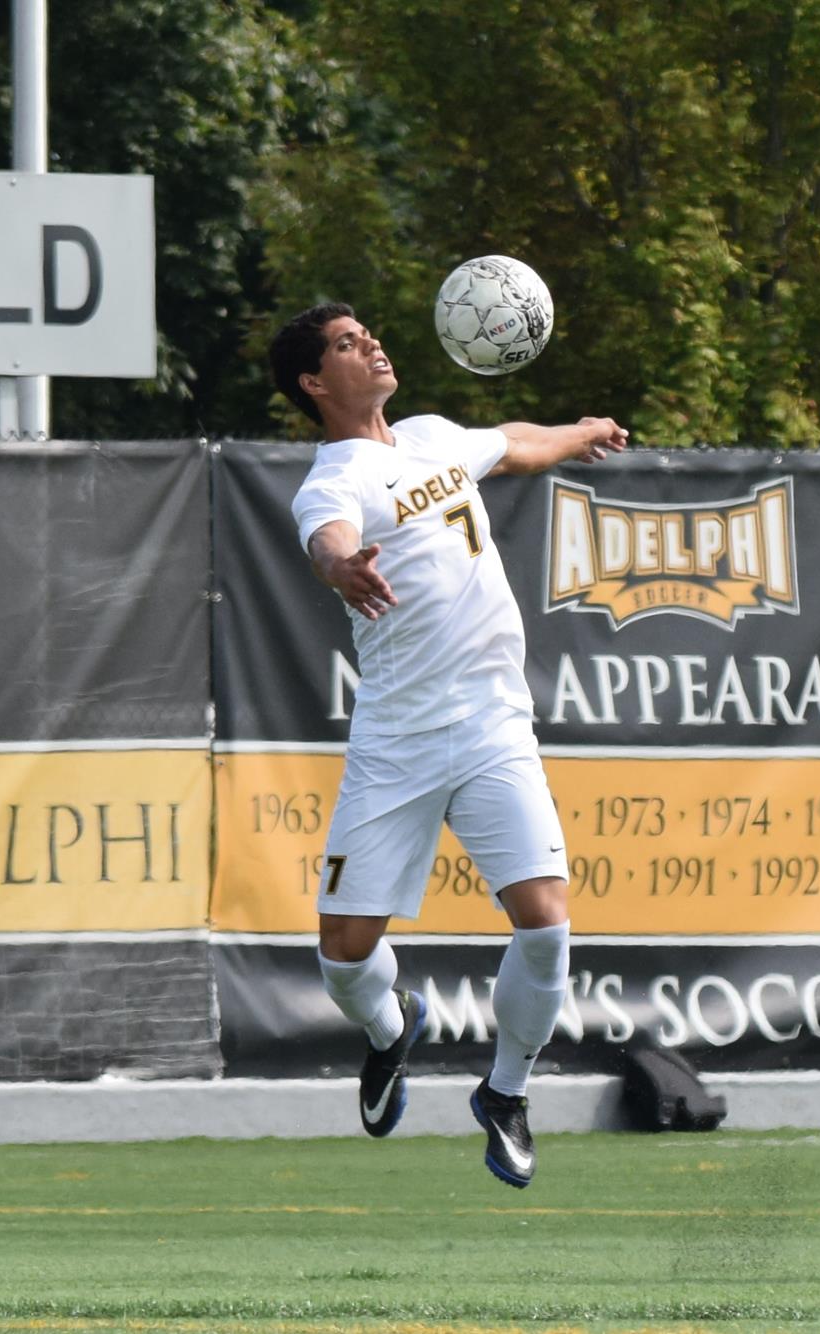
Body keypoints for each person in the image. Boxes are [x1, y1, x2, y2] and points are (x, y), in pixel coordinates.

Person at [267, 302, 628, 1187]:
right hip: (397, 741)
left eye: (366, 333)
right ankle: (391, 1027)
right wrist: (341, 567)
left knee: (546, 921)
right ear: (315, 382)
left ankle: (505, 1093)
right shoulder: (333, 478)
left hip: (495, 723)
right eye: (346, 344)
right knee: (342, 956)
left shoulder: (432, 437)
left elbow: (514, 443)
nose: (370, 344)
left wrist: (581, 432)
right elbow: (327, 537)